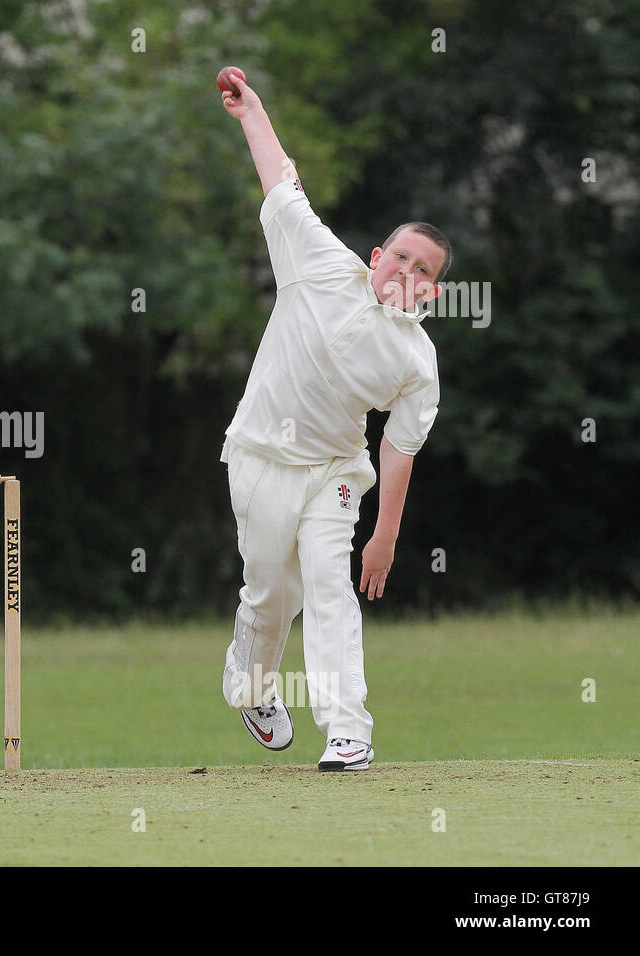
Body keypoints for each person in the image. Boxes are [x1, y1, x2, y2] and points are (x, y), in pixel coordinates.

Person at [216, 71, 450, 770]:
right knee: (269, 594)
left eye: (424, 269)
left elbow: (399, 449)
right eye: (400, 256)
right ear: (377, 258)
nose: (406, 270)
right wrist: (251, 110)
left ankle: (348, 730)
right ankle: (251, 685)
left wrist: (384, 539)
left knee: (326, 583)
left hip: (335, 474)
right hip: (260, 456)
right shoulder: (320, 264)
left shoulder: (417, 359)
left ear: (433, 291)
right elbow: (282, 185)